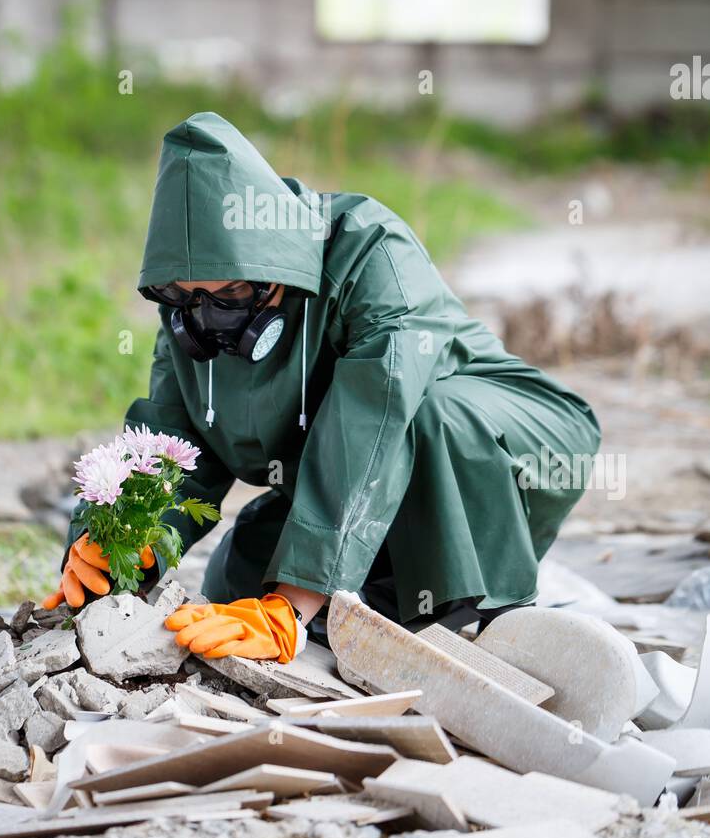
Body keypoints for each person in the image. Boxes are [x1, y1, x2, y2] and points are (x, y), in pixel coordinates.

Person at [49, 111, 601, 663]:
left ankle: (471, 615)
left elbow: (373, 416)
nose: (208, 318)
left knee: (430, 419)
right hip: (377, 473)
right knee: (237, 576)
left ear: (273, 275)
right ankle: (382, 595)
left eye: (229, 298)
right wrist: (117, 543)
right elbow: (171, 438)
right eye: (187, 299)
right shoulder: (191, 313)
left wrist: (291, 605)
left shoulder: (369, 251)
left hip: (508, 441)